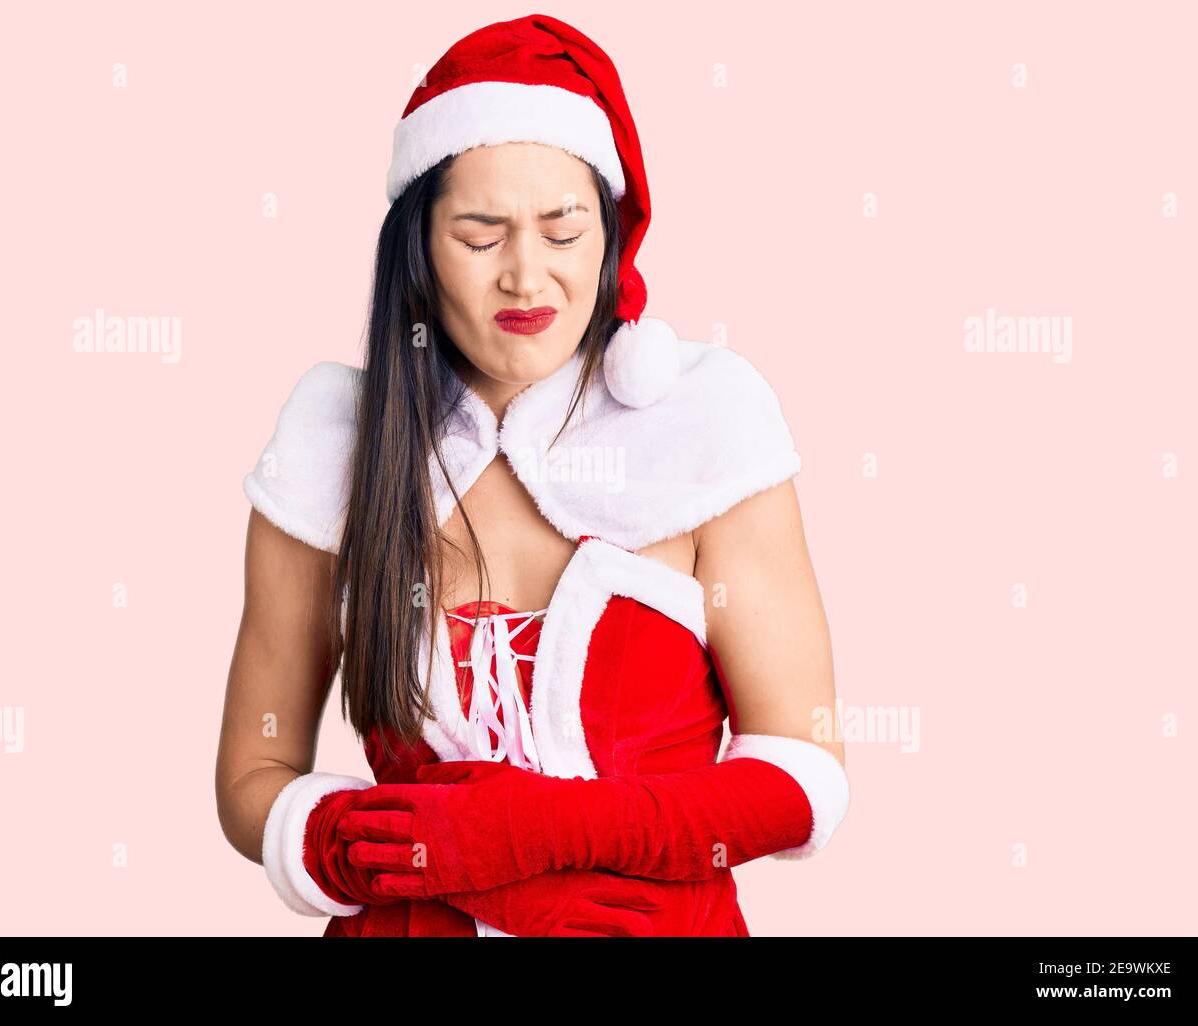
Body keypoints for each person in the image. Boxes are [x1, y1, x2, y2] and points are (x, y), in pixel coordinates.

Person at [216, 12, 850, 937]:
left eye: (563, 232)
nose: (527, 278)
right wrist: (372, 844)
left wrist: (531, 834)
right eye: (480, 235)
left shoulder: (707, 426)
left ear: (611, 237)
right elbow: (251, 775)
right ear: (419, 251)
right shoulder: (334, 446)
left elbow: (803, 774)